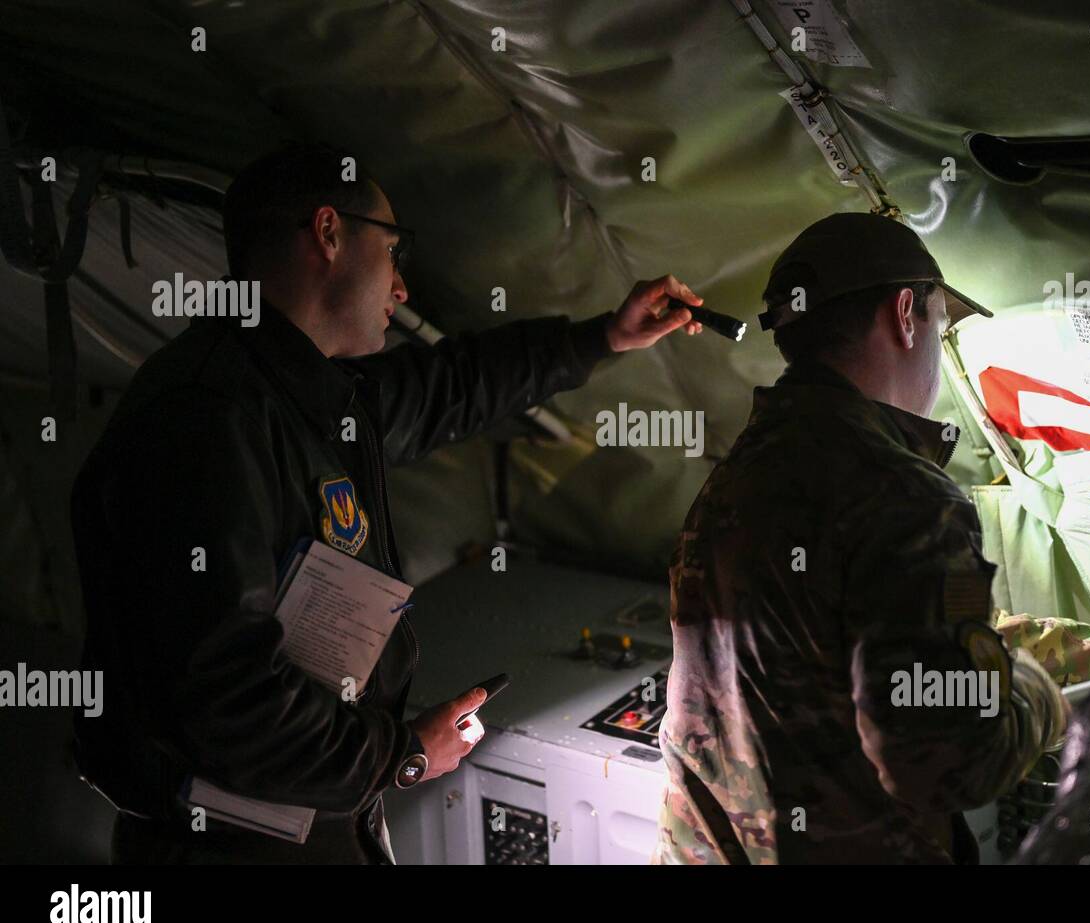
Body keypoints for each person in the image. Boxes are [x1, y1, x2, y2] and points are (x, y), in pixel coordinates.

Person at [70, 142, 704, 863]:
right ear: (328, 233)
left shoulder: (309, 396)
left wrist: (605, 337)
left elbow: (455, 385)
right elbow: (226, 696)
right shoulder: (206, 418)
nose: (400, 287)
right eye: (393, 251)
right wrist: (400, 755)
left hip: (308, 815)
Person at [654, 212, 1068, 864]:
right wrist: (1042, 696)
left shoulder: (743, 470)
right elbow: (950, 763)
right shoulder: (907, 498)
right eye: (940, 324)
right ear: (905, 314)